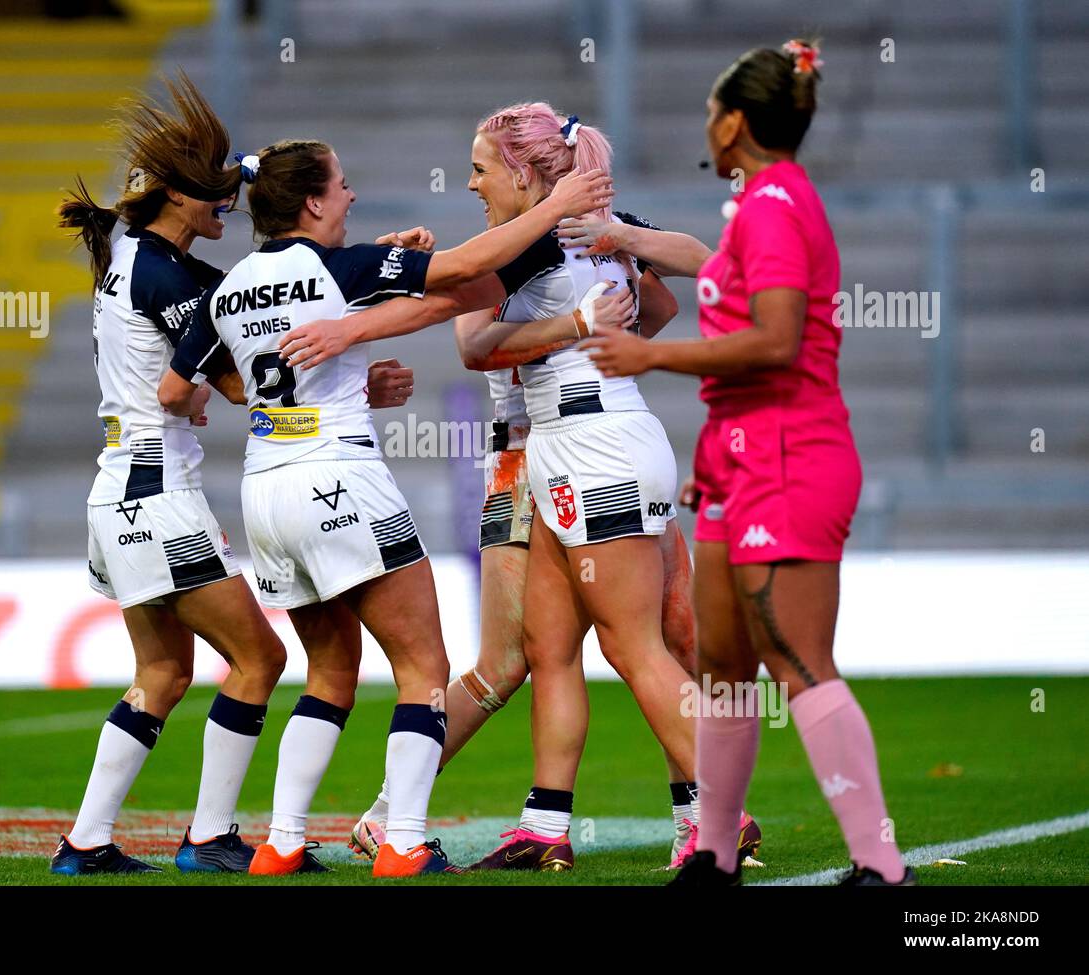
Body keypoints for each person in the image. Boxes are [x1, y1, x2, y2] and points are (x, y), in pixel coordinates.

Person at [277, 104, 760, 872]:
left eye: (480, 168)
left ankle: (711, 815)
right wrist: (607, 311)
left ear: (525, 172)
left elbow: (455, 316)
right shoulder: (576, 230)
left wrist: (351, 330)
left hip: (574, 448)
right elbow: (673, 285)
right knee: (564, 647)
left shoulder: (537, 238)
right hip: (578, 447)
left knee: (604, 649)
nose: (470, 182)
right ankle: (553, 825)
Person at [160, 139, 613, 876]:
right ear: (311, 201)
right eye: (342, 184)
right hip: (336, 478)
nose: (352, 195)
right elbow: (466, 271)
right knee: (423, 664)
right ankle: (402, 841)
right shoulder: (340, 266)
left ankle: (281, 842)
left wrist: (324, 387)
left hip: (263, 488)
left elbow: (176, 392)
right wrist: (560, 205)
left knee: (329, 670)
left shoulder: (229, 287)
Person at [582, 40, 912, 886]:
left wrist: (652, 357)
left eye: (709, 113)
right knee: (723, 665)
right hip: (739, 457)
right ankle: (714, 855)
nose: (705, 125)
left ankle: (881, 864)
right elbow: (718, 271)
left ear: (733, 121)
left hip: (792, 455)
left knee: (798, 663)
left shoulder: (770, 208)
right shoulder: (764, 203)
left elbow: (774, 340)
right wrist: (625, 235)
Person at [49, 74, 288, 876]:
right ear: (178, 198)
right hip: (157, 490)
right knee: (259, 660)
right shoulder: (168, 277)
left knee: (162, 670)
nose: (226, 206)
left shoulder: (131, 251)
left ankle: (85, 841)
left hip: (115, 491)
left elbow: (225, 309)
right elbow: (222, 380)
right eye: (216, 194)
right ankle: (210, 836)